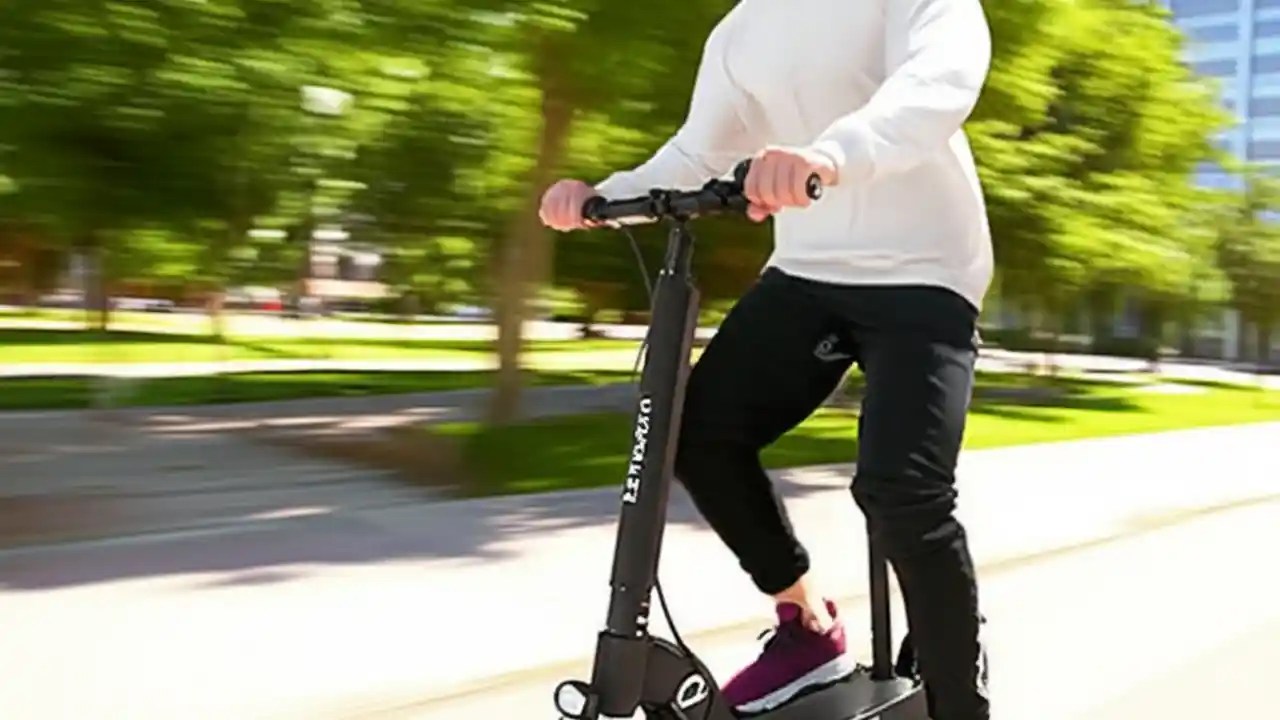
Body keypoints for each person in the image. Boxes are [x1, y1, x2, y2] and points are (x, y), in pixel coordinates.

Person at [538, 0, 993, 718]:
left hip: (926, 270)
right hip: (810, 273)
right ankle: (808, 624)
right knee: (695, 434)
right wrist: (603, 196)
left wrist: (829, 155)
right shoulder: (744, 29)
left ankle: (959, 704)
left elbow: (938, 85)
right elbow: (697, 153)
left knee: (902, 493)